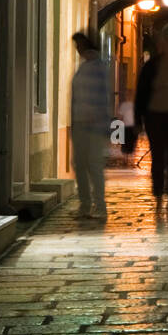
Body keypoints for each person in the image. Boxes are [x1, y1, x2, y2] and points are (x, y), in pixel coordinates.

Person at [134, 21, 168, 213]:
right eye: (167, 39)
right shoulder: (151, 66)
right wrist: (137, 120)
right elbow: (141, 93)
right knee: (158, 157)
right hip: (155, 116)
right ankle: (158, 196)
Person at [70, 31, 112, 221]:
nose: (77, 49)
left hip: (94, 125)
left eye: (79, 45)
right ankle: (85, 205)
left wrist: (102, 122)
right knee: (80, 165)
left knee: (93, 165)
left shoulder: (98, 67)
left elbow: (104, 97)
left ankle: (99, 207)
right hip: (80, 123)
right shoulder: (84, 67)